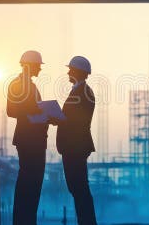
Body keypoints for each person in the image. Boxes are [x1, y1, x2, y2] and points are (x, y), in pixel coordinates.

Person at [50, 56, 98, 225]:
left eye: (71, 70)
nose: (68, 73)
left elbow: (77, 121)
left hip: (75, 147)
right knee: (77, 188)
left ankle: (87, 222)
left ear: (78, 72)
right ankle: (85, 221)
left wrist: (58, 118)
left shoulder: (83, 92)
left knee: (79, 187)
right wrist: (59, 118)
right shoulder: (80, 91)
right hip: (74, 146)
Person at [7, 50, 48, 225]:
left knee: (33, 183)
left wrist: (44, 113)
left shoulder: (30, 86)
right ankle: (23, 220)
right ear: (29, 66)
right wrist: (35, 110)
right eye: (38, 66)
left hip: (35, 140)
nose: (40, 69)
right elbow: (11, 110)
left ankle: (27, 220)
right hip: (29, 140)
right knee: (29, 182)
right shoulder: (17, 85)